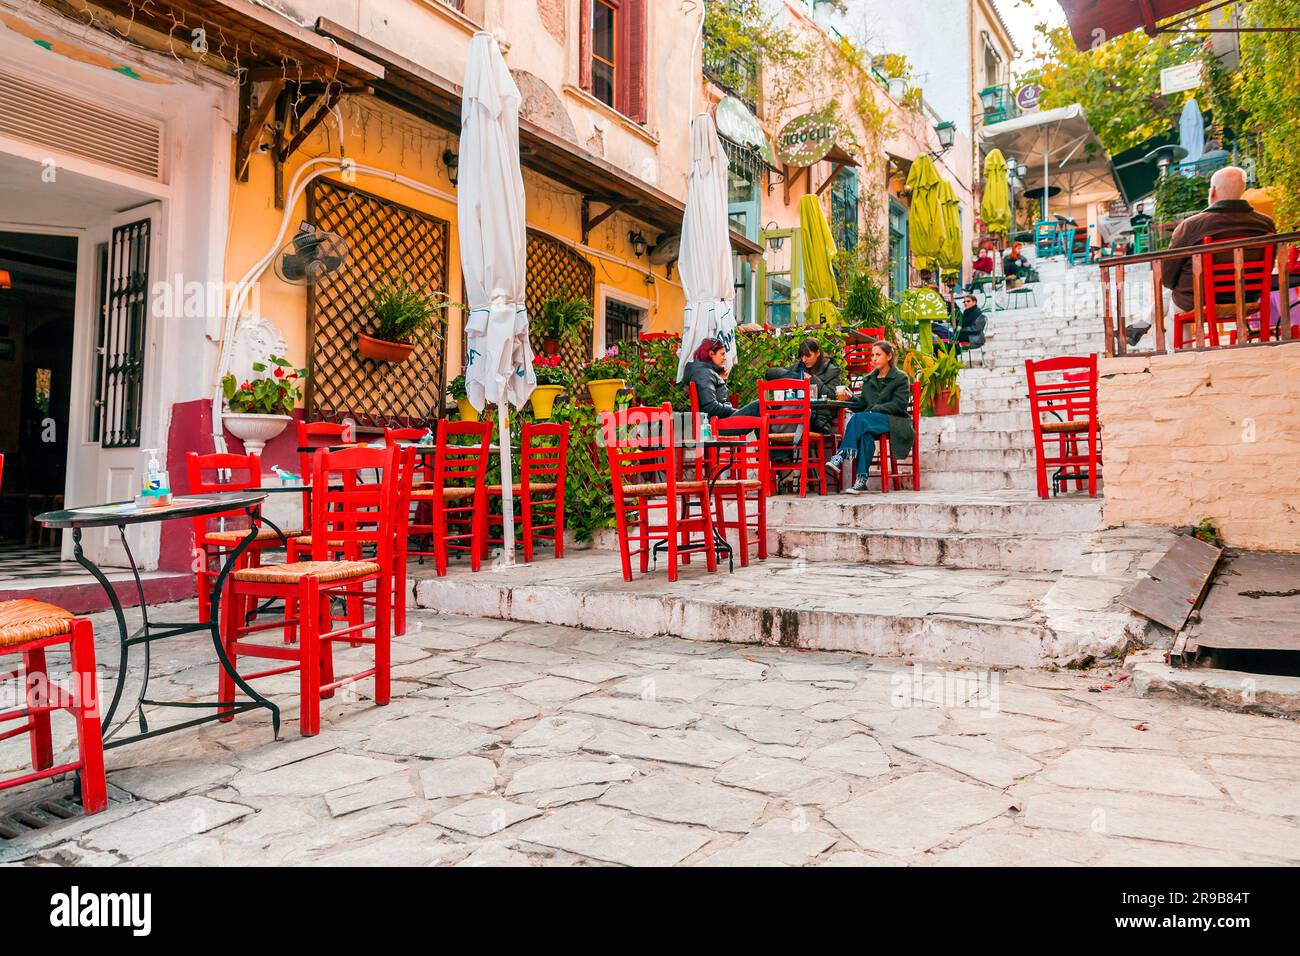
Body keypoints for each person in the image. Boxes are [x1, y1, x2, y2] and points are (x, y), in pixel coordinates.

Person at [1128, 166, 1275, 345]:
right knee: (1173, 295)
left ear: (1212, 191)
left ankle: (1185, 354)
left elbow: (1167, 277)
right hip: (1247, 295)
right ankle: (1141, 324)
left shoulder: (1191, 226)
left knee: (1174, 303)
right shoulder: (1266, 224)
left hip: (1199, 299)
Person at [824, 340, 915, 494]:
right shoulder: (868, 379)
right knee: (865, 434)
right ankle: (861, 480)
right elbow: (863, 403)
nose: (874, 358)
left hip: (895, 421)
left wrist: (874, 409)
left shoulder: (900, 378)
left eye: (878, 355)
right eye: (872, 355)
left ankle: (841, 455)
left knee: (859, 419)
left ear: (889, 356)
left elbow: (899, 405)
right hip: (871, 422)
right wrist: (850, 399)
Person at [679, 338, 759, 419]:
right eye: (722, 354)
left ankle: (770, 431)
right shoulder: (704, 373)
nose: (724, 358)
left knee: (761, 408)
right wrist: (733, 410)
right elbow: (710, 406)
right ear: (711, 353)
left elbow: (716, 398)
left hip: (719, 419)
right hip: (716, 423)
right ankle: (770, 431)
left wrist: (722, 380)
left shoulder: (703, 372)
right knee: (759, 405)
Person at [776, 339, 842, 434]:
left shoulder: (831, 371)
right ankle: (761, 443)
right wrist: (794, 375)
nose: (804, 359)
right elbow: (770, 373)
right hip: (797, 414)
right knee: (757, 406)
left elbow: (832, 396)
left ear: (818, 353)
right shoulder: (800, 367)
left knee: (794, 411)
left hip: (817, 419)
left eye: (808, 355)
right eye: (802, 356)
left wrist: (812, 379)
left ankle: (779, 443)